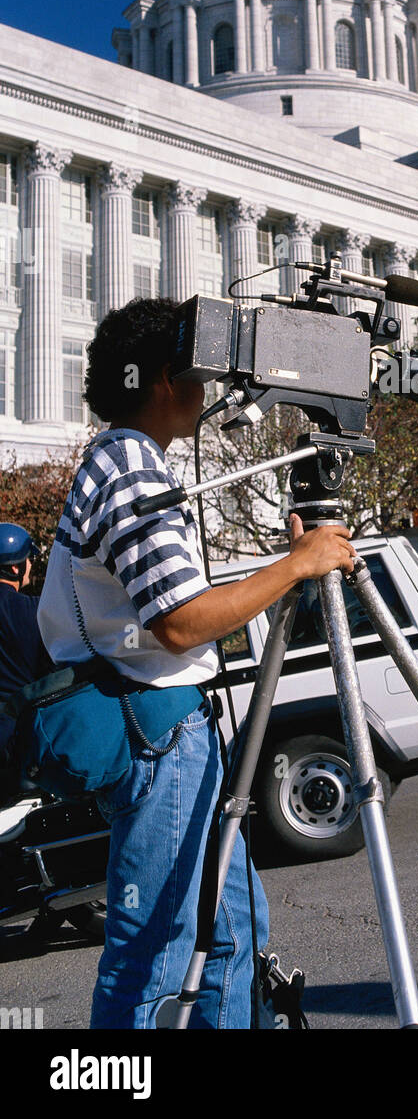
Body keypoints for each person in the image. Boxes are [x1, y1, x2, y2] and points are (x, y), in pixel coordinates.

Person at [37, 298, 357, 1030]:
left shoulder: (131, 461)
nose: (208, 389)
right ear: (159, 380)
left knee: (232, 933)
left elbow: (178, 600)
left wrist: (289, 564)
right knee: (155, 948)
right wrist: (295, 565)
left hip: (175, 733)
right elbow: (180, 623)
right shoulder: (128, 468)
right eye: (196, 372)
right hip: (156, 737)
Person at [0, 524, 52, 779]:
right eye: (29, 559)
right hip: (16, 745)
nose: (31, 564)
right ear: (15, 567)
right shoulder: (34, 612)